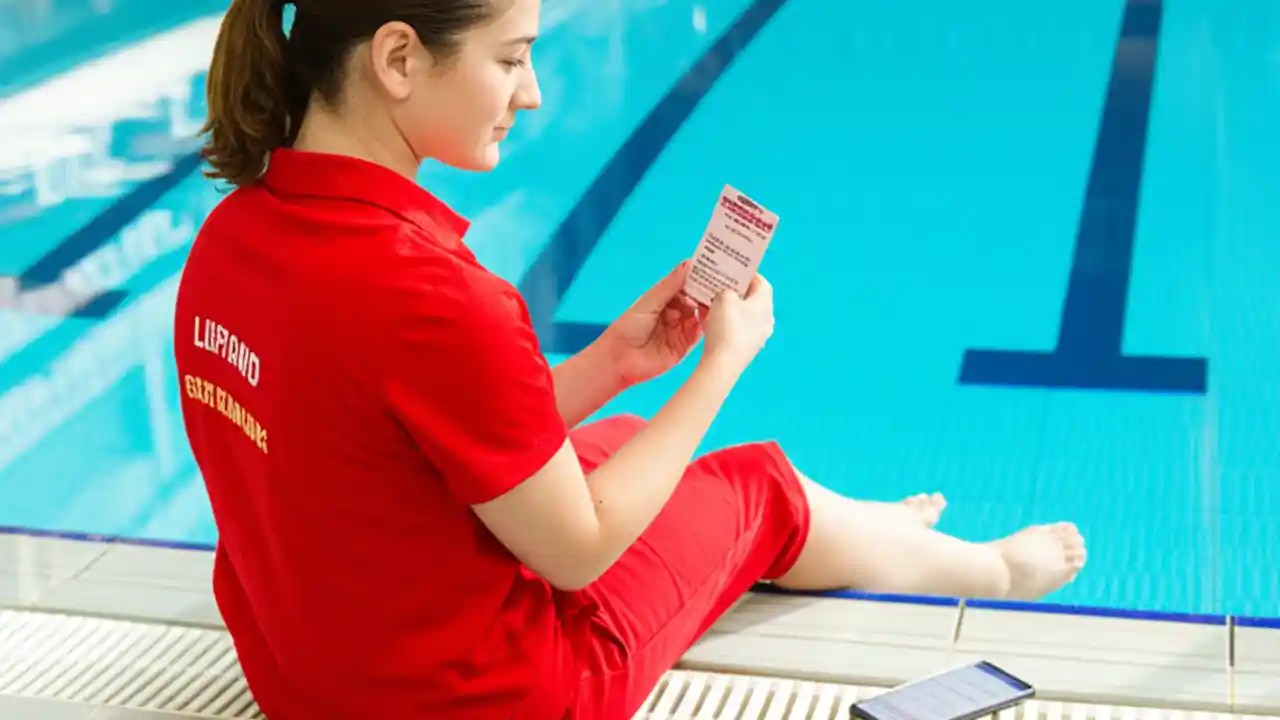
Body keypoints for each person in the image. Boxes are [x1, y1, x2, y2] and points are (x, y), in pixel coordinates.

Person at [172, 0, 1087, 717]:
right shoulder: (429, 295)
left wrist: (612, 360)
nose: (530, 92)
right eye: (510, 57)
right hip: (489, 700)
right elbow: (576, 552)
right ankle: (987, 571)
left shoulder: (233, 238)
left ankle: (868, 531)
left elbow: (387, 443)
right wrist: (719, 365)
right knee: (757, 483)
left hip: (303, 680)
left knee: (615, 430)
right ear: (399, 58)